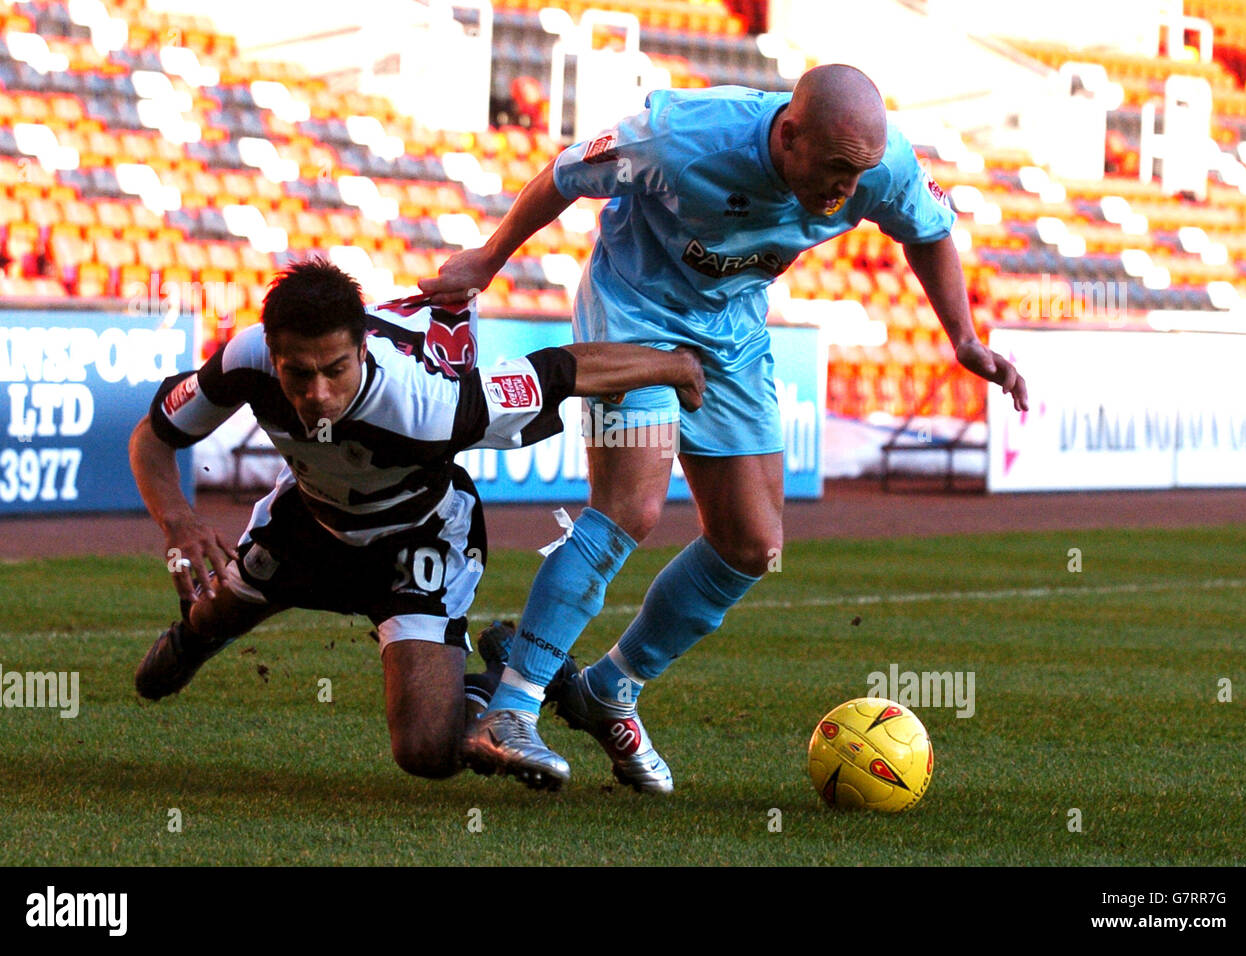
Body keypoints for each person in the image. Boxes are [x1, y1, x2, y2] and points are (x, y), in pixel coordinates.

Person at [420, 64, 1029, 793]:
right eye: (834, 171)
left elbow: (927, 232)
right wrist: (489, 259)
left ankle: (609, 687)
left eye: (857, 177)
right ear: (790, 135)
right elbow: (563, 172)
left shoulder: (879, 164)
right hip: (635, 312)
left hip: (732, 328)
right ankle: (511, 707)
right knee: (632, 508)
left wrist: (962, 338)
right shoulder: (681, 139)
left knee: (752, 543)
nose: (844, 193)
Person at [128, 258, 704, 788]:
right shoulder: (243, 360)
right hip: (310, 517)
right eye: (297, 375)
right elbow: (153, 438)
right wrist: (178, 521)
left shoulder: (429, 405)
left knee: (427, 752)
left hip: (417, 538)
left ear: (362, 348)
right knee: (179, 651)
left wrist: (675, 365)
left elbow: (559, 370)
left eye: (334, 370)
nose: (318, 395)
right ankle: (197, 632)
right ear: (271, 355)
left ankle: (502, 684)